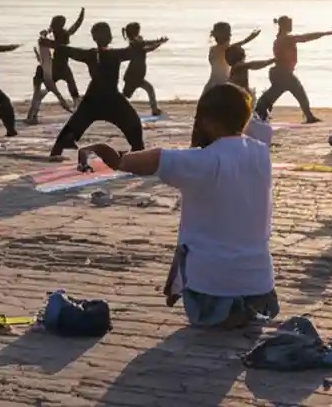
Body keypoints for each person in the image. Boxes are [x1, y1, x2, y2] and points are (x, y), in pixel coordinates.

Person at [85, 84, 277, 329]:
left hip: (212, 295)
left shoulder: (205, 161)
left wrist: (117, 159)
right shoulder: (261, 152)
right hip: (261, 291)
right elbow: (256, 128)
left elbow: (158, 158)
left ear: (207, 120)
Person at [45, 22, 167, 157]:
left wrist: (49, 44)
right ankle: (137, 149)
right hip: (112, 99)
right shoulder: (115, 54)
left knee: (74, 125)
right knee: (133, 124)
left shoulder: (91, 54)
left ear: (94, 38)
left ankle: (58, 150)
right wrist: (140, 44)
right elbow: (135, 51)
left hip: (93, 99)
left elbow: (67, 50)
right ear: (110, 37)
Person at [254, 17, 332, 123]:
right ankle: (308, 116)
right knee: (297, 92)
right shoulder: (286, 38)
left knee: (275, 94)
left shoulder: (281, 38)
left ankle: (259, 112)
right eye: (289, 24)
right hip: (282, 73)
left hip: (280, 72)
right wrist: (324, 33)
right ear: (284, 25)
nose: (291, 25)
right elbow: (305, 37)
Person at [25, 29, 73, 125]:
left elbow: (42, 60)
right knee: (51, 94)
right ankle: (32, 117)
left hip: (41, 72)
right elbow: (44, 62)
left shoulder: (45, 49)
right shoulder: (46, 48)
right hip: (44, 73)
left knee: (38, 95)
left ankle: (32, 116)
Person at [120, 22, 165, 117]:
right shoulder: (134, 44)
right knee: (124, 96)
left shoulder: (136, 42)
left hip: (137, 75)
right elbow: (149, 47)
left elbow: (147, 44)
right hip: (133, 76)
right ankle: (113, 108)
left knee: (149, 89)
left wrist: (158, 41)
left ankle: (155, 110)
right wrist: (159, 43)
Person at [205, 23, 261, 93]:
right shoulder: (221, 49)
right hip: (222, 84)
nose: (229, 38)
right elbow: (233, 46)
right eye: (228, 36)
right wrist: (249, 38)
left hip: (214, 83)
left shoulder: (213, 49)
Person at [47, 9, 86, 102]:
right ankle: (76, 101)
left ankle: (37, 100)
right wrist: (82, 15)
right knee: (71, 84)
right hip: (63, 64)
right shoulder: (64, 34)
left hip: (55, 63)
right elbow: (76, 26)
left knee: (50, 85)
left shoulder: (54, 33)